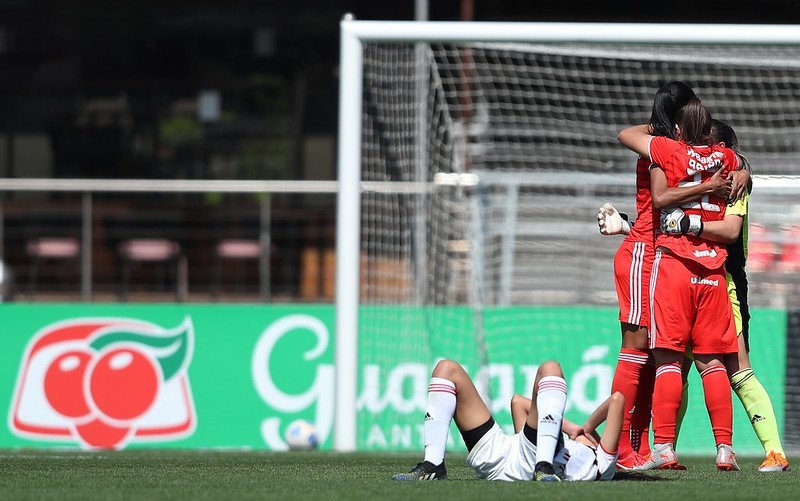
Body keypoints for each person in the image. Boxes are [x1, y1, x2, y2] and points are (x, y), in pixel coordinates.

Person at [596, 81, 735, 469]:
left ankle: (642, 446)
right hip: (645, 254)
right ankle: (619, 445)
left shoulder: (683, 151)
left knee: (662, 360)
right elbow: (630, 142)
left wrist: (742, 169)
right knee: (637, 350)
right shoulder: (660, 147)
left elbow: (729, 156)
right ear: (678, 118)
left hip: (667, 257)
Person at [659, 119, 790, 472]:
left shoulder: (734, 182)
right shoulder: (696, 181)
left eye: (708, 145)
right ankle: (666, 450)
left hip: (725, 280)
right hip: (687, 277)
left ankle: (774, 451)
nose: (701, 152)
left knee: (737, 368)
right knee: (678, 367)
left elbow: (730, 230)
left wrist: (743, 170)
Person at [391, 358, 624, 482]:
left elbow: (617, 399)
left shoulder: (603, 465)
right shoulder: (551, 437)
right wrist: (572, 427)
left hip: (534, 460)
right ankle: (433, 465)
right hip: (502, 456)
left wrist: (587, 428)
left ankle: (543, 467)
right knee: (446, 369)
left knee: (551, 367)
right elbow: (517, 402)